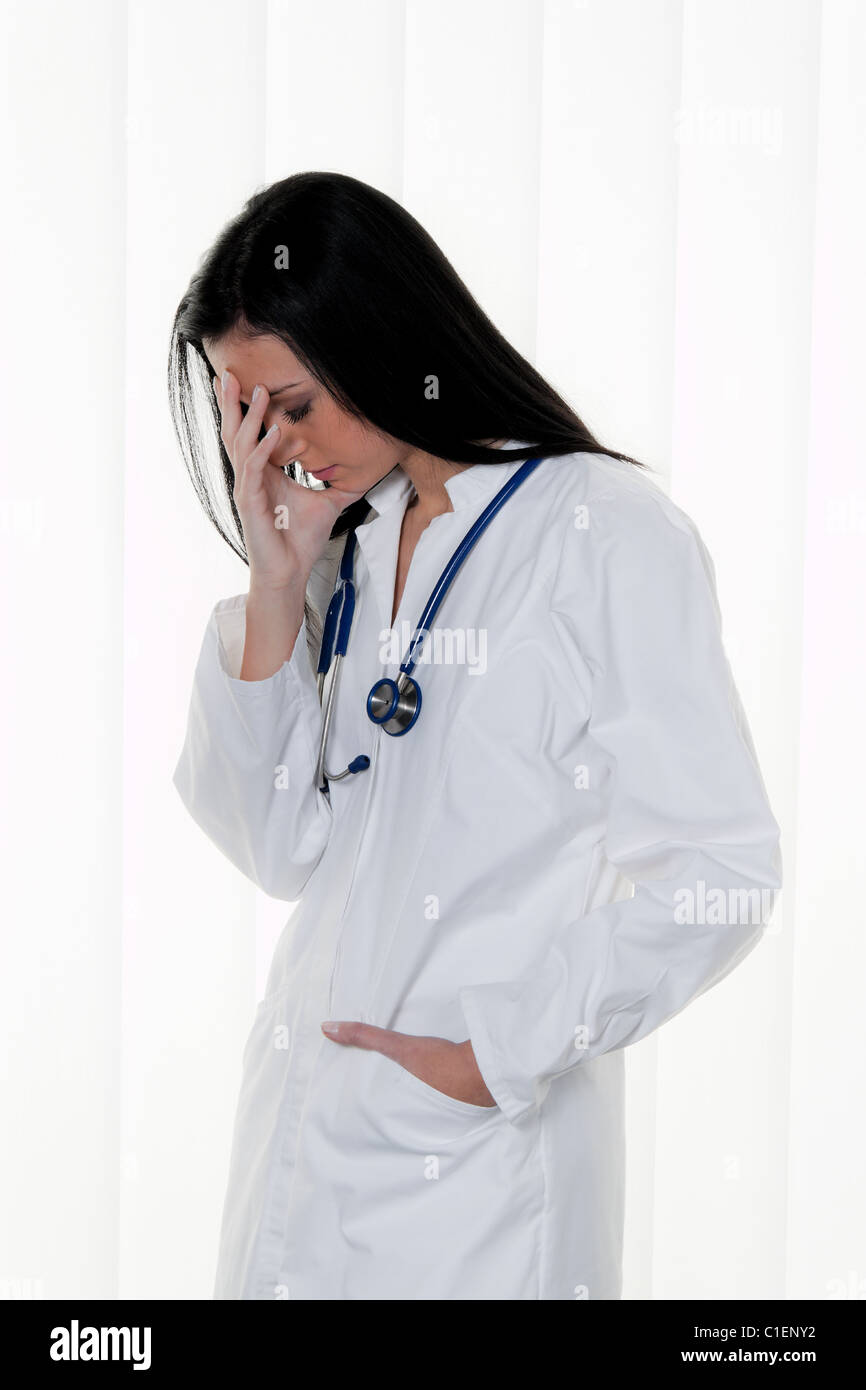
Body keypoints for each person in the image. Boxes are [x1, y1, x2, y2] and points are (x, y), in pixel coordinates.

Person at [169, 171, 782, 1301]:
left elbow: (720, 868)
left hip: (477, 1193)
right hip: (299, 1163)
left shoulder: (599, 533)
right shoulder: (350, 548)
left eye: (292, 405)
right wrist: (272, 585)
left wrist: (491, 1051)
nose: (278, 450)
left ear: (379, 338)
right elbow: (275, 850)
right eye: (245, 414)